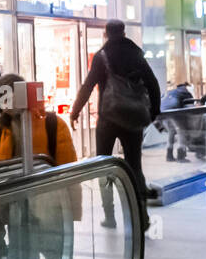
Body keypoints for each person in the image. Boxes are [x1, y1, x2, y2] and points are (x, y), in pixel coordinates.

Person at [0, 74, 83, 259]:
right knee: (19, 257)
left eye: (5, 98)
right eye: (0, 99)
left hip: (51, 208)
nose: (2, 104)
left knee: (57, 255)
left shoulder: (52, 124)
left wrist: (73, 209)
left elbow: (68, 169)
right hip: (17, 207)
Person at [69, 20, 161, 231]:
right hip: (133, 119)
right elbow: (153, 83)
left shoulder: (102, 56)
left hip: (108, 119)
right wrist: (154, 112)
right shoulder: (136, 53)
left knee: (104, 166)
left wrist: (75, 112)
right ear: (124, 32)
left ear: (105, 33)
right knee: (135, 166)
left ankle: (109, 216)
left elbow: (88, 86)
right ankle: (142, 216)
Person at [160, 82, 195, 162]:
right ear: (186, 87)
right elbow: (191, 108)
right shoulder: (185, 93)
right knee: (182, 132)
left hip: (162, 112)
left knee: (171, 132)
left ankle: (169, 156)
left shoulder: (171, 92)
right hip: (173, 110)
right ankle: (181, 156)